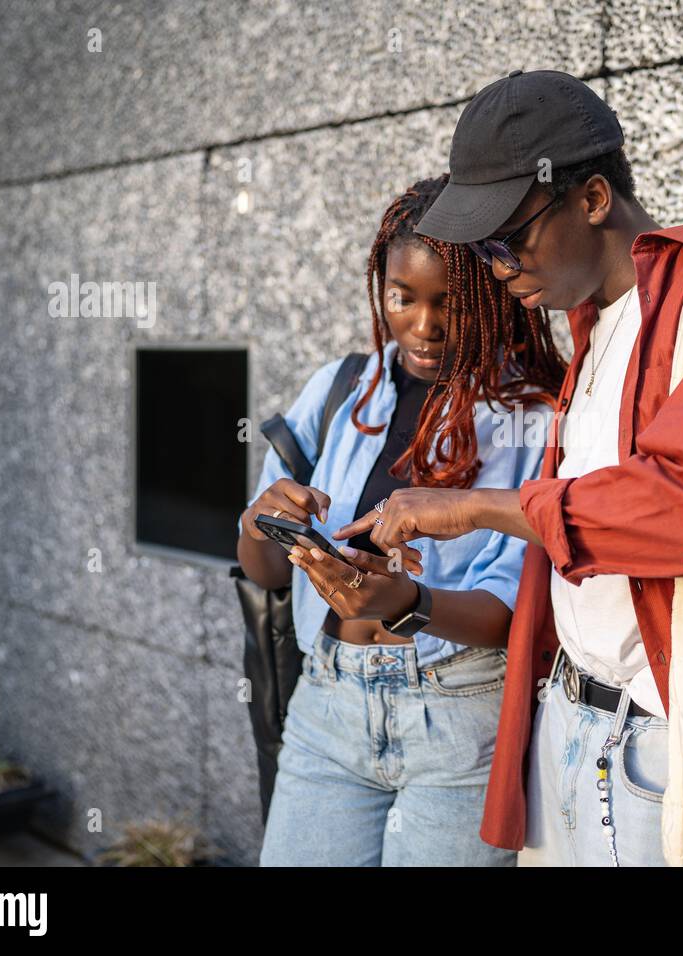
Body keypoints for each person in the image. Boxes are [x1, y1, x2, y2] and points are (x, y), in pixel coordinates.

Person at [333, 71, 683, 866]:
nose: (497, 270)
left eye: (507, 241)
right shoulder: (589, 324)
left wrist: (483, 508)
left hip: (665, 742)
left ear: (592, 200)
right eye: (483, 251)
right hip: (567, 720)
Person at [238, 174, 567, 866]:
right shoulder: (338, 390)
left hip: (459, 715)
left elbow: (514, 613)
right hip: (325, 702)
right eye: (403, 297)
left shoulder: (534, 419)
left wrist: (408, 603)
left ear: (492, 296)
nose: (423, 325)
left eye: (450, 303)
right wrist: (257, 523)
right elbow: (264, 572)